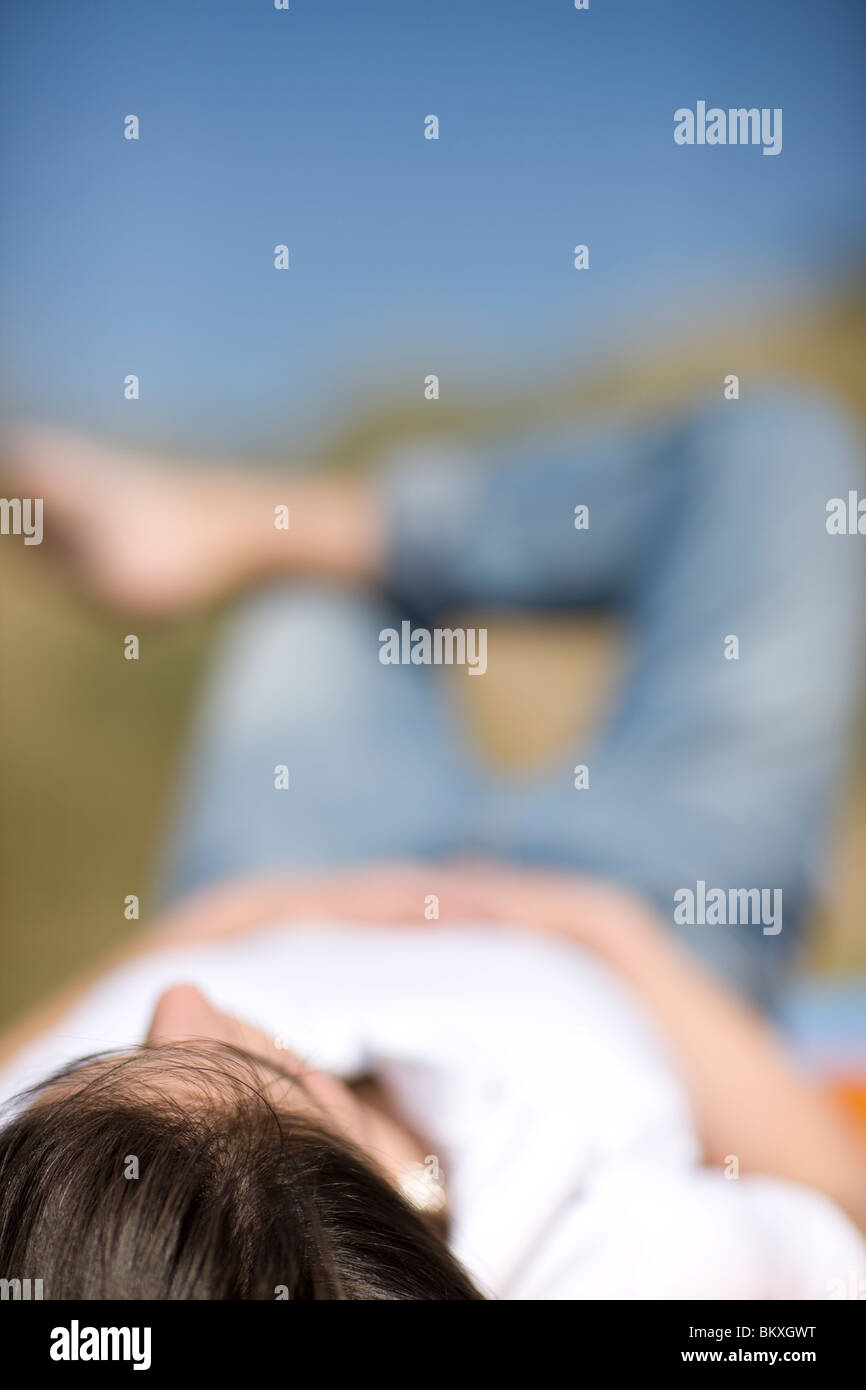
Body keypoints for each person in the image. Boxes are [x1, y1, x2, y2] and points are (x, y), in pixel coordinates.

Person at [0, 386, 865, 1300]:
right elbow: (845, 1199)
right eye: (248, 1068)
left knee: (317, 580)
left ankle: (264, 526)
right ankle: (290, 524)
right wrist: (609, 934)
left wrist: (240, 913)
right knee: (779, 458)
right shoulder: (627, 1270)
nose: (182, 1003)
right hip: (637, 915)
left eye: (92, 1068)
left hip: (292, 871)